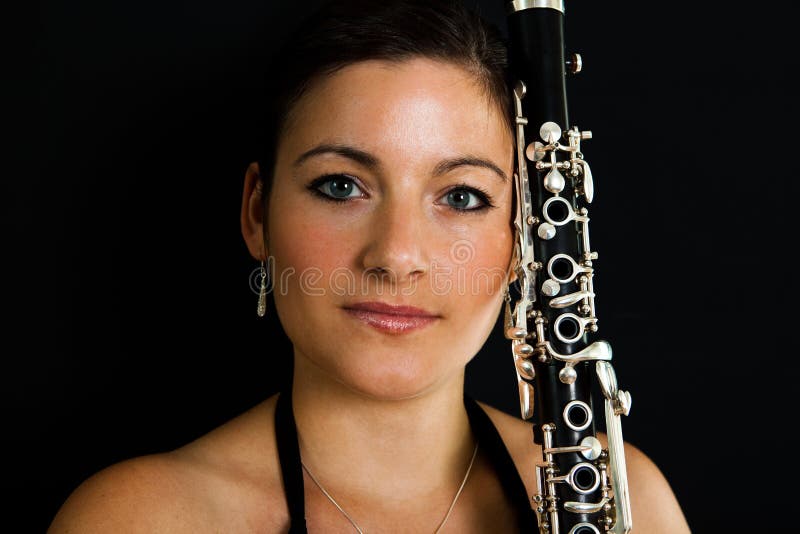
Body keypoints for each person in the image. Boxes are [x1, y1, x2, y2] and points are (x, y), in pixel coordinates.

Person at [48, 0, 690, 532]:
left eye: (462, 197)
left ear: (524, 236)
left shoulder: (640, 506)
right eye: (340, 186)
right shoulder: (139, 519)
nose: (397, 256)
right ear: (256, 213)